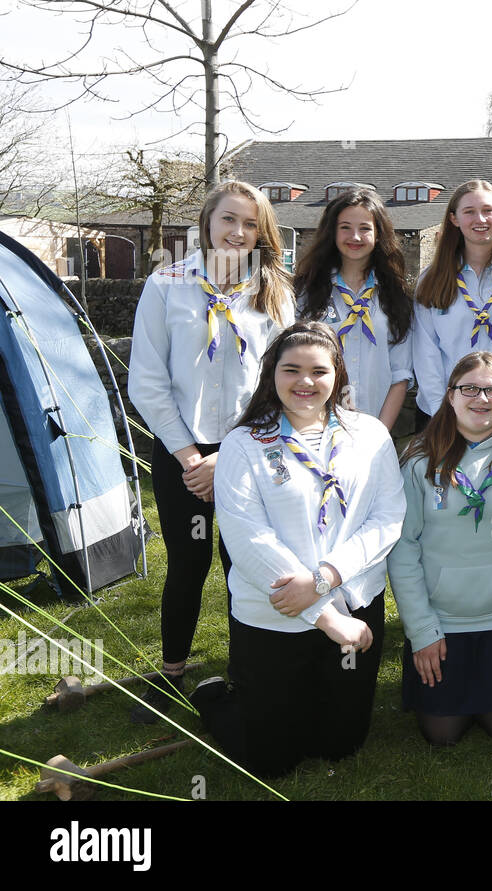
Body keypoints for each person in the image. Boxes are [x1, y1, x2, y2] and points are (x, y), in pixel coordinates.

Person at [193, 321, 404, 777]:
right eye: (292, 370)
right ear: (272, 374)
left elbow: (387, 518)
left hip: (352, 603)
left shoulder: (370, 435)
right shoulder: (242, 443)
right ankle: (214, 698)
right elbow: (247, 536)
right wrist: (322, 615)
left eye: (318, 371)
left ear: (337, 376)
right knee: (270, 761)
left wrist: (325, 580)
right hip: (276, 611)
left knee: (341, 747)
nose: (305, 382)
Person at [126, 180, 293, 722]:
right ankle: (171, 673)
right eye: (228, 220)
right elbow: (147, 381)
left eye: (250, 223)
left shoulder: (273, 293)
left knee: (244, 563)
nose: (237, 233)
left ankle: (245, 672)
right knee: (188, 562)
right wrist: (191, 457)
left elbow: (283, 382)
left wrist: (233, 454)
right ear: (206, 222)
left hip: (250, 447)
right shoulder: (166, 284)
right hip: (182, 449)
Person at [387, 352, 492, 746]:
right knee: (441, 733)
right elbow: (403, 549)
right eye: (469, 388)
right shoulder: (418, 459)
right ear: (449, 396)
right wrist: (421, 630)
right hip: (442, 621)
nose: (480, 398)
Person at [412, 179, 492, 424]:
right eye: (469, 212)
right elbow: (425, 351)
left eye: (488, 211)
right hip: (440, 414)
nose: (480, 219)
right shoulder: (431, 279)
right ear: (454, 219)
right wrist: (445, 412)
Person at [294, 187, 413, 428]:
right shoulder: (306, 293)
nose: (355, 237)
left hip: (375, 424)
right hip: (313, 426)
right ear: (332, 232)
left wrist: (379, 434)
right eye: (345, 227)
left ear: (379, 234)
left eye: (365, 228)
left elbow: (400, 374)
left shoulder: (396, 297)